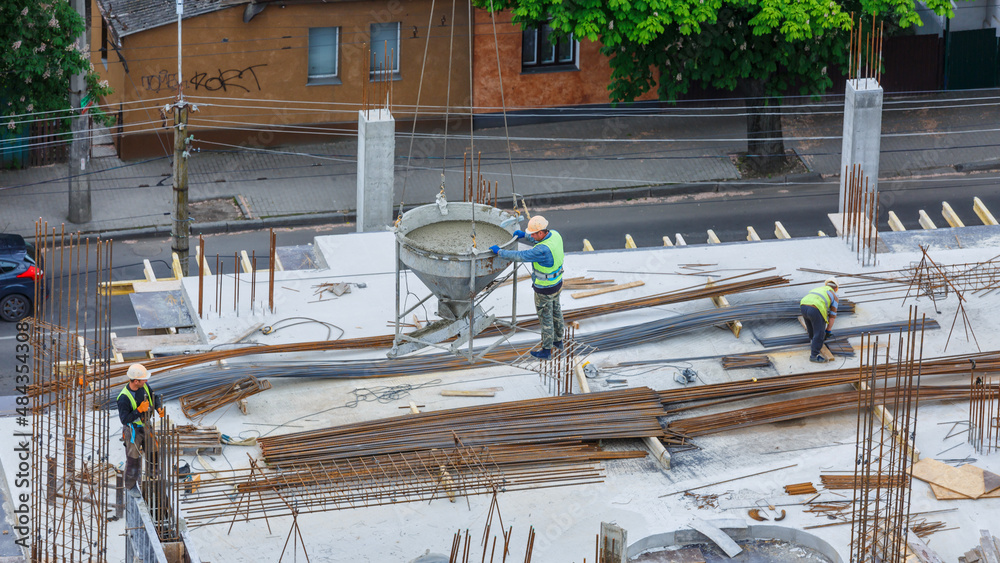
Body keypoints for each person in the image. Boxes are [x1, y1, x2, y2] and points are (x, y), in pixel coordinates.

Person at [490, 215, 565, 359]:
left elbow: (521, 255)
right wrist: (525, 236)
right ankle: (558, 340)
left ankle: (546, 350)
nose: (532, 236)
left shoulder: (542, 250)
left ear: (541, 232)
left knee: (546, 318)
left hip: (544, 289)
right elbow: (540, 241)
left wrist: (500, 252)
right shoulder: (555, 235)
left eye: (533, 234)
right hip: (557, 283)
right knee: (556, 312)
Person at [117, 363, 163, 495]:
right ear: (136, 381)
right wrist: (138, 410)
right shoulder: (124, 397)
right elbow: (124, 419)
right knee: (133, 459)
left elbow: (154, 396)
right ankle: (131, 487)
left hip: (146, 426)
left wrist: (158, 407)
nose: (146, 381)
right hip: (133, 430)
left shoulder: (145, 386)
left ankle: (153, 479)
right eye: (143, 379)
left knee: (153, 452)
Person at [800, 278, 839, 363]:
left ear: (826, 285)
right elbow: (832, 316)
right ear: (836, 289)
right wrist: (828, 330)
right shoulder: (834, 295)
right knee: (819, 333)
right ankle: (814, 356)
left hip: (803, 306)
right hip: (815, 308)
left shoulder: (818, 289)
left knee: (811, 328)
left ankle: (813, 342)